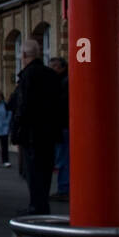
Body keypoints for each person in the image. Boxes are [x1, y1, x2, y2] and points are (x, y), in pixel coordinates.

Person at [13, 39, 63, 215]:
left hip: (31, 133)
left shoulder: (27, 76)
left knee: (32, 172)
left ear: (25, 55)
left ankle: (36, 207)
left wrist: (17, 129)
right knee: (45, 172)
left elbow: (23, 106)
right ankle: (42, 206)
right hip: (49, 132)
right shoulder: (52, 75)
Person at [49, 57, 69, 200]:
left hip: (62, 126)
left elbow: (61, 106)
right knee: (62, 158)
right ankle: (64, 188)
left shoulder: (63, 83)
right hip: (62, 125)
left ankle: (64, 189)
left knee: (63, 159)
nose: (51, 70)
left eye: (54, 67)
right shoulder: (62, 82)